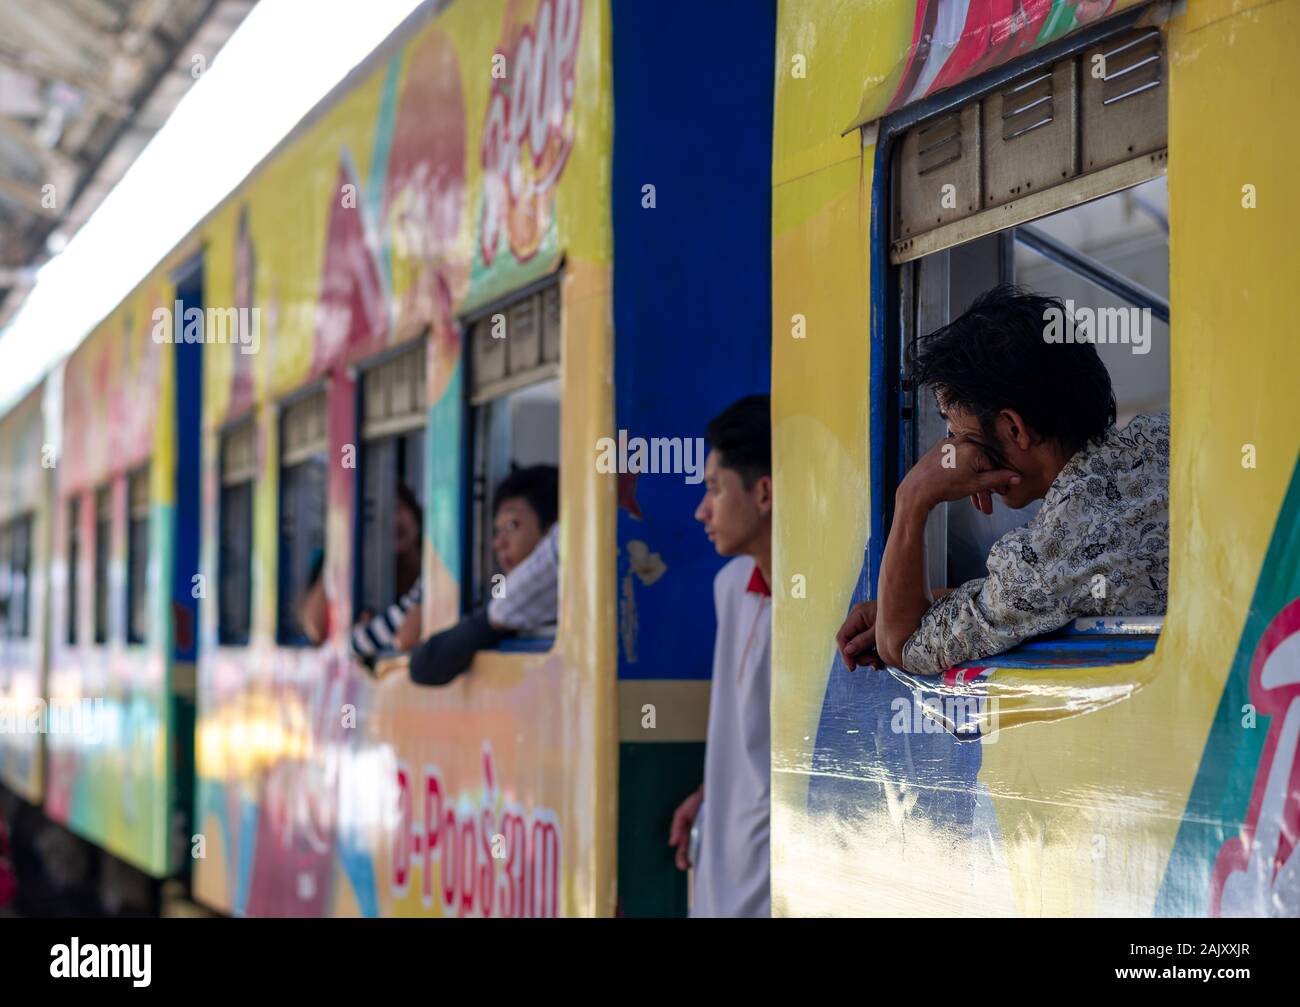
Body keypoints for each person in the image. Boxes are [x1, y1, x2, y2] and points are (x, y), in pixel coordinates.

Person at [835, 285, 1170, 677]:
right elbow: (1043, 589)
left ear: (1013, 428)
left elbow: (901, 642)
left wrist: (912, 496)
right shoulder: (1159, 437)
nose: (954, 456)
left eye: (962, 438)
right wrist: (938, 600)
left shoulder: (1056, 547)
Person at [667, 395, 772, 918]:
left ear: (764, 493)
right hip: (723, 857)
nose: (700, 510)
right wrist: (714, 789)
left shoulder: (827, 602)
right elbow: (745, 729)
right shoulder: (731, 586)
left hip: (776, 871)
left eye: (713, 489)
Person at [403, 464, 559, 686]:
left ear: (551, 527)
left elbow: (425, 665)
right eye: (497, 531)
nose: (498, 543)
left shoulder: (540, 576)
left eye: (512, 525)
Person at [350, 482, 424, 666]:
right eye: (382, 514)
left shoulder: (432, 574)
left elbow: (402, 638)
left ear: (415, 512)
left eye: (398, 508)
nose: (393, 520)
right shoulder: (371, 580)